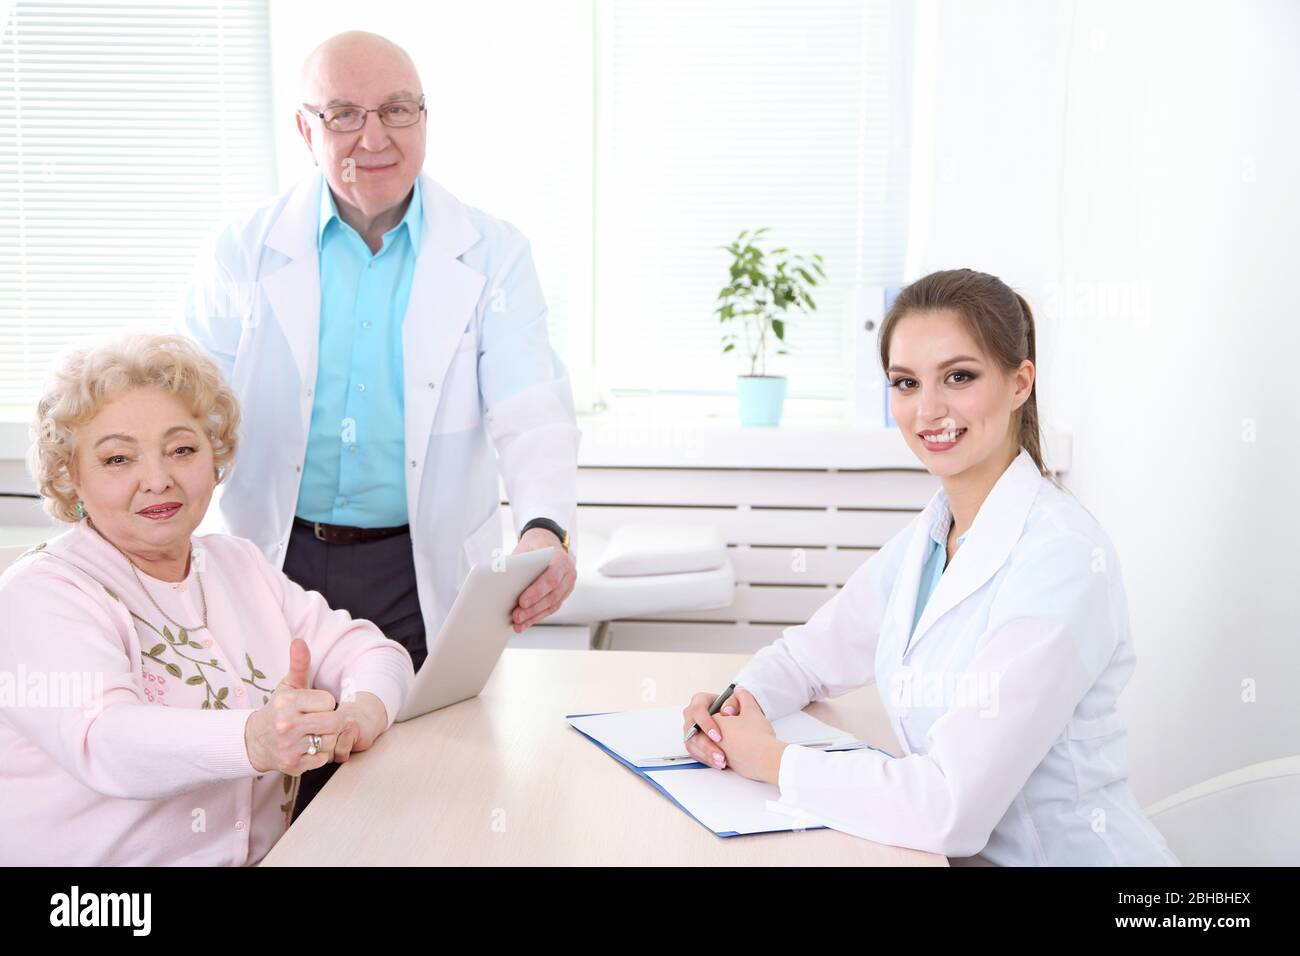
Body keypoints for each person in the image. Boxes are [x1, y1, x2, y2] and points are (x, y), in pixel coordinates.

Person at [181, 31, 580, 814]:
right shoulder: (243, 251)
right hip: (275, 556)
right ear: (305, 130)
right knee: (277, 784)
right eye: (343, 115)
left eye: (397, 110)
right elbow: (189, 408)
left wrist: (543, 530)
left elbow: (531, 405)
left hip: (415, 569)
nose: (375, 137)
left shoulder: (492, 254)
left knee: (419, 789)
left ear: (425, 116)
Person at [682, 269, 1179, 866]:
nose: (928, 410)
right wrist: (736, 708)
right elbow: (806, 657)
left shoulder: (1062, 559)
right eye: (906, 383)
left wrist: (767, 757)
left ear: (1020, 383)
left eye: (959, 377)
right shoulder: (933, 536)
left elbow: (950, 810)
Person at [0, 334, 414, 865]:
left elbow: (374, 652)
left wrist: (358, 717)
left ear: (214, 457)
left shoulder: (235, 565)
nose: (158, 479)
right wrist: (256, 739)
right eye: (119, 458)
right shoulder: (41, 595)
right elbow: (106, 741)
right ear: (70, 476)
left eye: (182, 450)